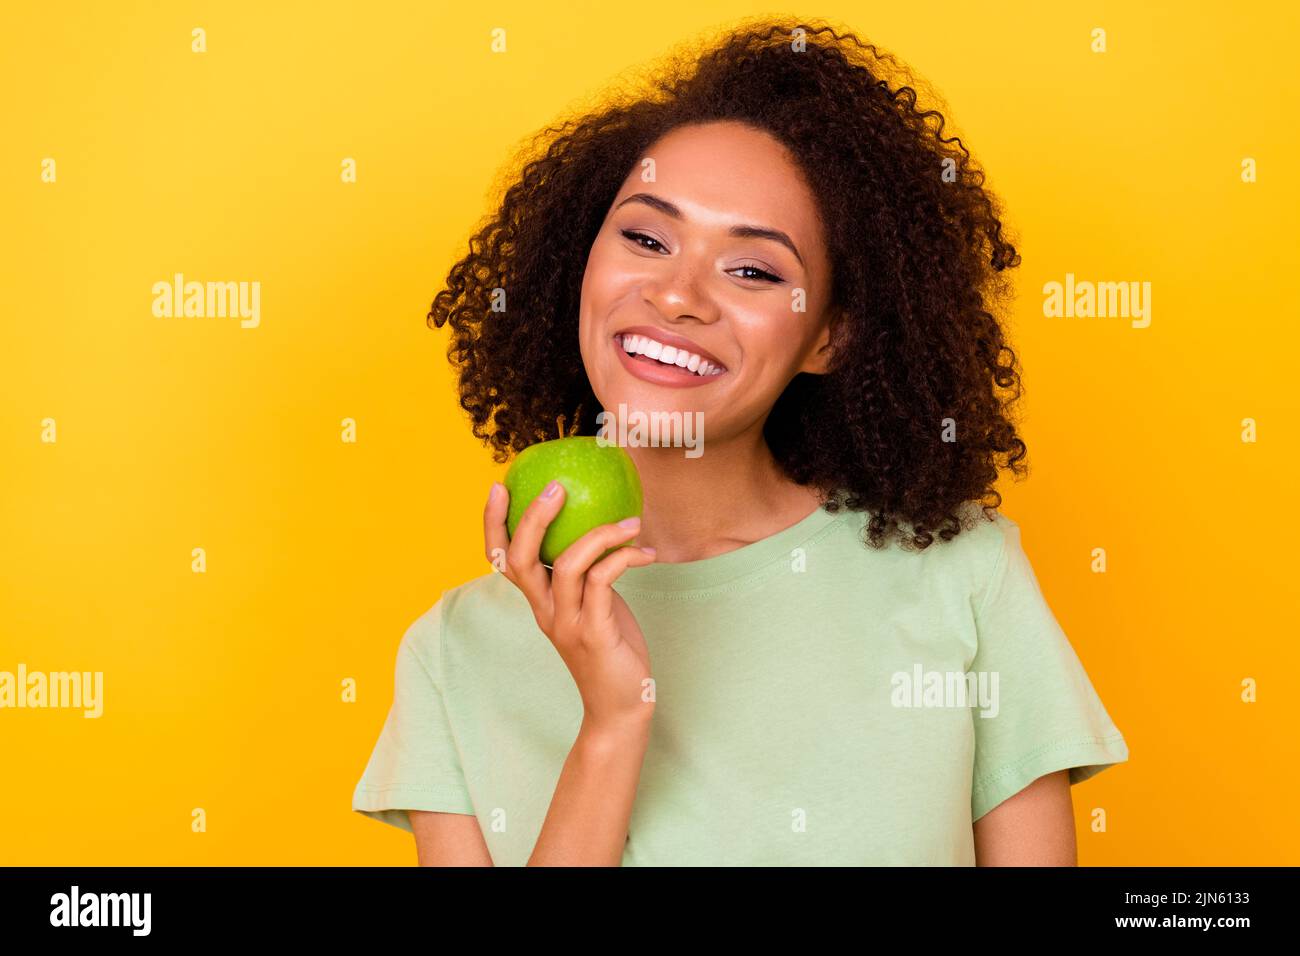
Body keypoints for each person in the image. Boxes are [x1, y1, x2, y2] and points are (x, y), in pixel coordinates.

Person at [352, 17, 1129, 866]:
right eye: (646, 239)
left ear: (830, 336)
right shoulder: (454, 653)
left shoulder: (963, 580)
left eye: (754, 270)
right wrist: (612, 724)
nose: (677, 295)